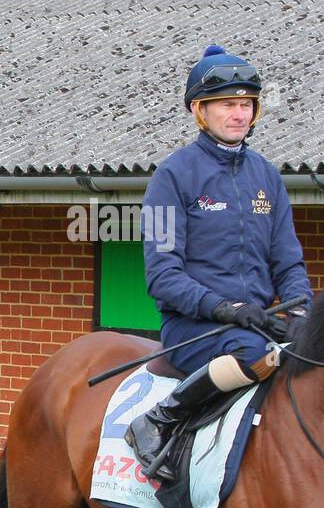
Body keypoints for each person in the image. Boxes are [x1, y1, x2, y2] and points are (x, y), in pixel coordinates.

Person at [126, 45, 314, 482]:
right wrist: (224, 309)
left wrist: (300, 311)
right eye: (228, 104)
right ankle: (159, 420)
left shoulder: (268, 176)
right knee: (253, 353)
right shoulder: (170, 177)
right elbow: (162, 276)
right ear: (200, 110)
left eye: (247, 104)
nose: (239, 114)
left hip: (260, 320)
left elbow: (288, 261)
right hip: (196, 327)